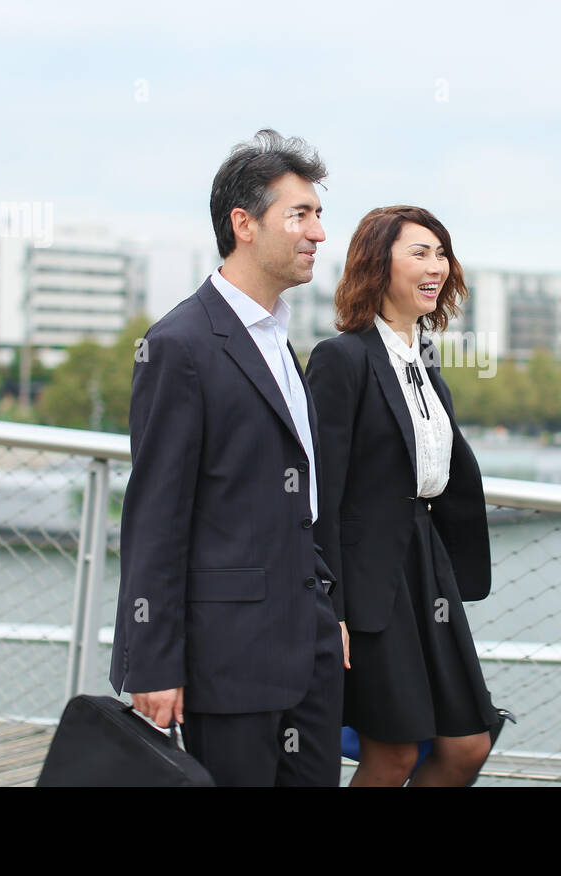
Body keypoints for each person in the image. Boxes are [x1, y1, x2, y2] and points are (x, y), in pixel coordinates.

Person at [108, 129, 348, 787]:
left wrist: (334, 612)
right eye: (299, 215)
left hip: (310, 652)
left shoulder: (281, 339)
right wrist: (150, 662)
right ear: (243, 224)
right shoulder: (179, 345)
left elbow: (306, 496)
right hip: (229, 662)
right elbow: (156, 516)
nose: (319, 233)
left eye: (319, 215)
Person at [306, 205, 500, 787]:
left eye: (441, 253)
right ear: (376, 263)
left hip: (427, 568)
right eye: (419, 252)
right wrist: (330, 606)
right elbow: (322, 496)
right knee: (390, 754)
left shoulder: (422, 357)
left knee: (468, 743)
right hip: (370, 585)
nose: (435, 265)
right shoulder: (342, 359)